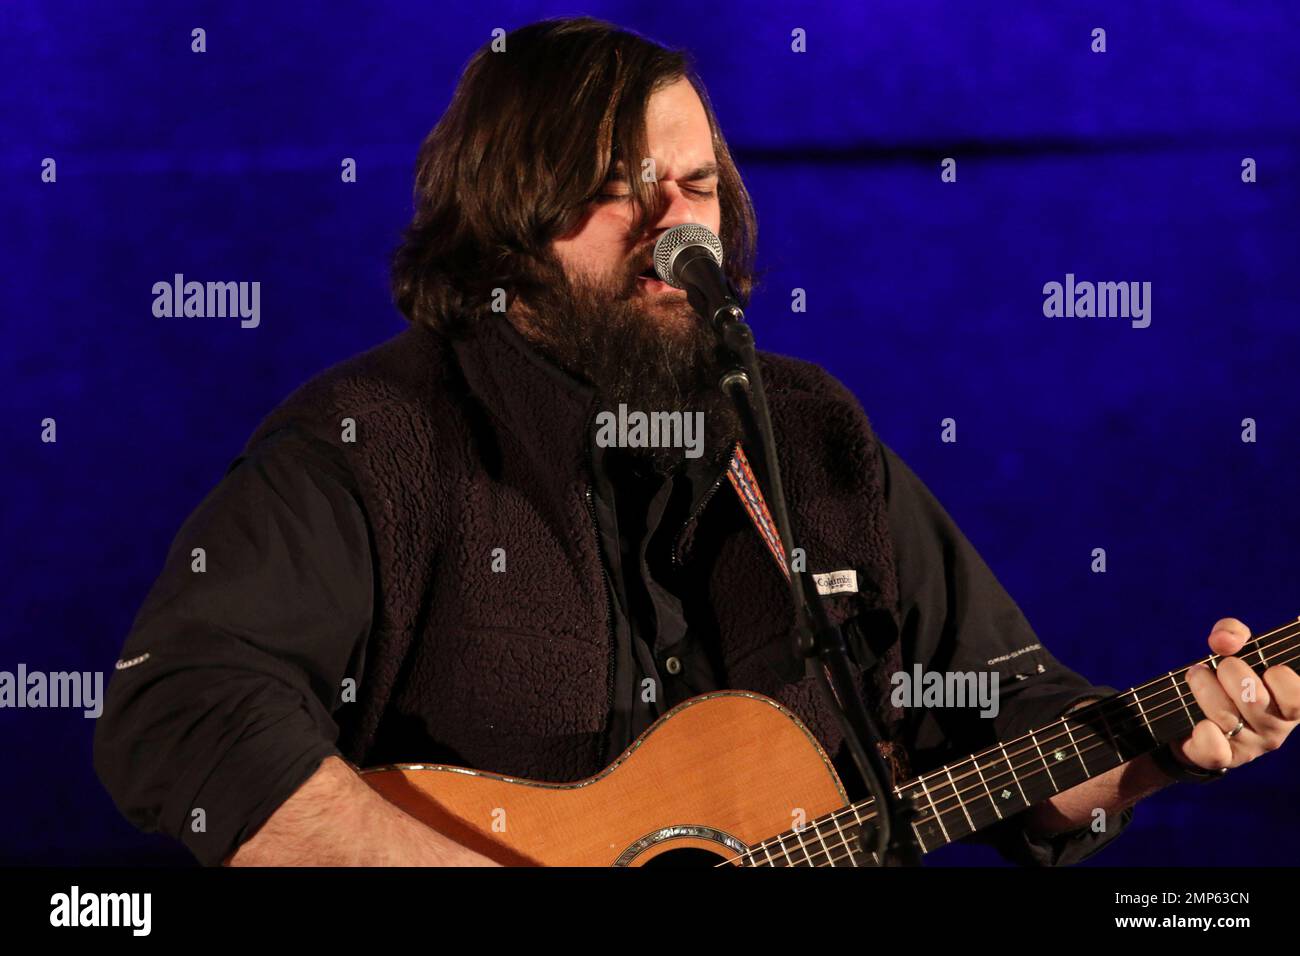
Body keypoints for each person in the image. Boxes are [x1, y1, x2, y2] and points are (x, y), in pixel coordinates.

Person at [94, 17, 1298, 868]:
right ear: (508, 220)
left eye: (699, 185)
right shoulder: (375, 439)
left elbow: (996, 729)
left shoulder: (810, 432)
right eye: (628, 190)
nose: (682, 228)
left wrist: (1163, 745)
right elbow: (183, 708)